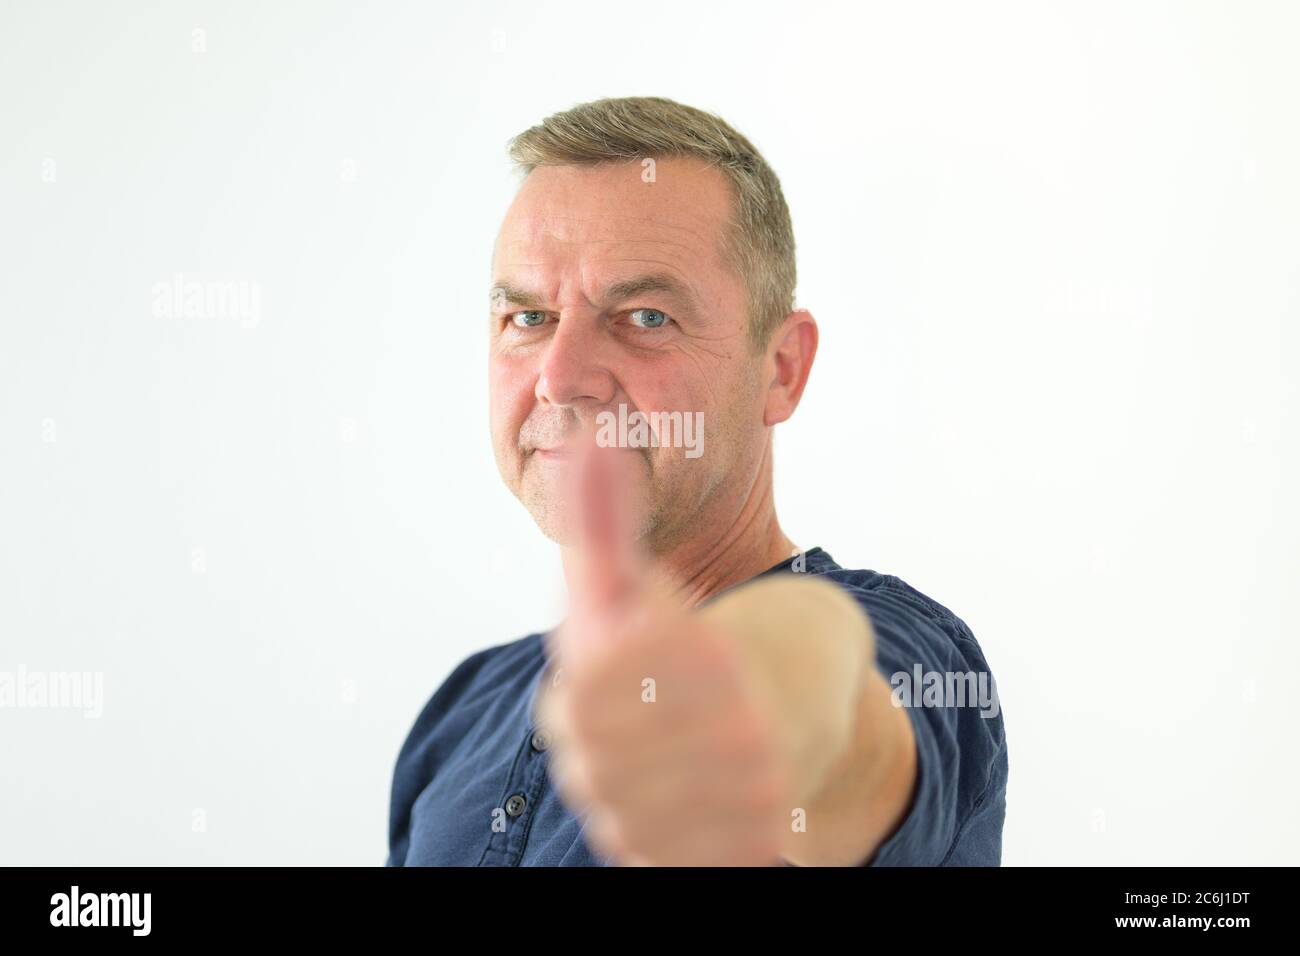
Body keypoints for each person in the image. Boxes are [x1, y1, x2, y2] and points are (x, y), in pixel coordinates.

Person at [386, 96, 1007, 866]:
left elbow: (847, 727)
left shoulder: (913, 658)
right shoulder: (463, 710)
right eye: (529, 318)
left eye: (645, 317)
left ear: (782, 369)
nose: (561, 377)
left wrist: (746, 730)